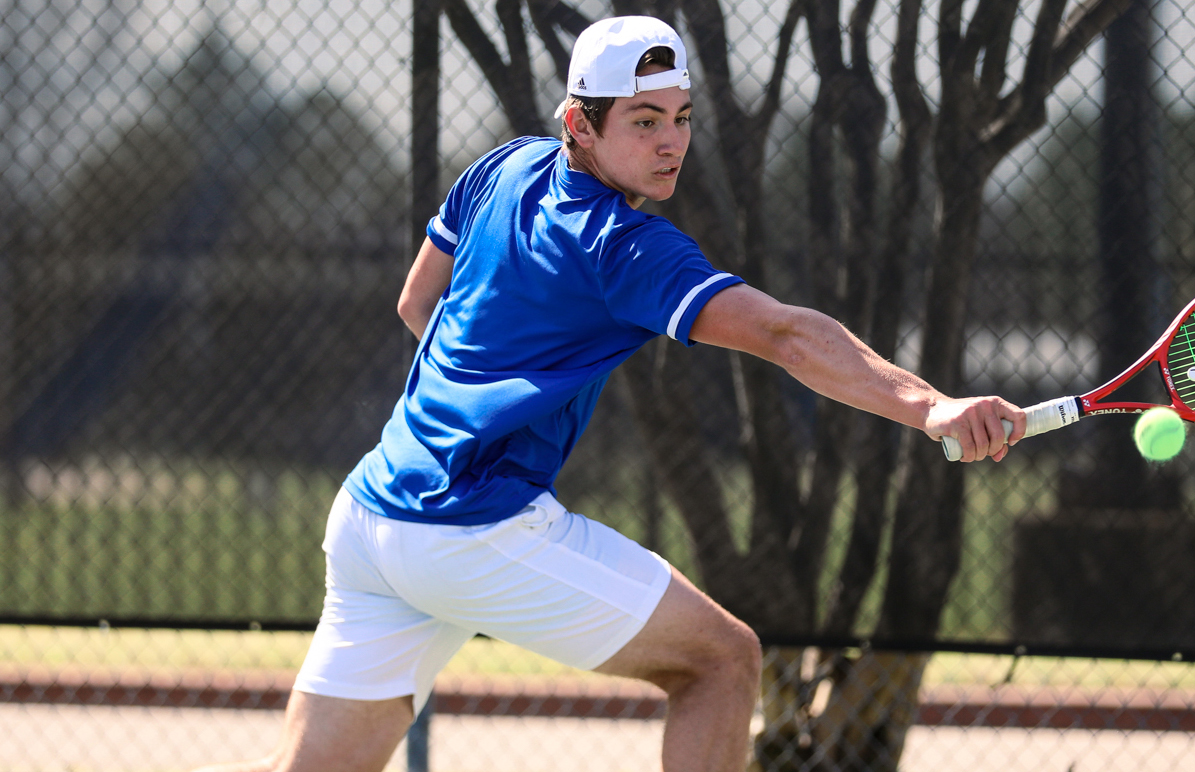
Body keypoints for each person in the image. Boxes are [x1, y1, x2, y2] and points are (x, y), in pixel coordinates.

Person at [195, 15, 1024, 772]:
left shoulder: (503, 167)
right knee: (721, 661)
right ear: (580, 125)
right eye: (644, 121)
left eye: (681, 118)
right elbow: (783, 334)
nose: (671, 144)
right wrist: (931, 408)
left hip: (373, 519)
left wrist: (488, 386)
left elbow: (419, 304)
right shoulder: (623, 245)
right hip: (472, 528)